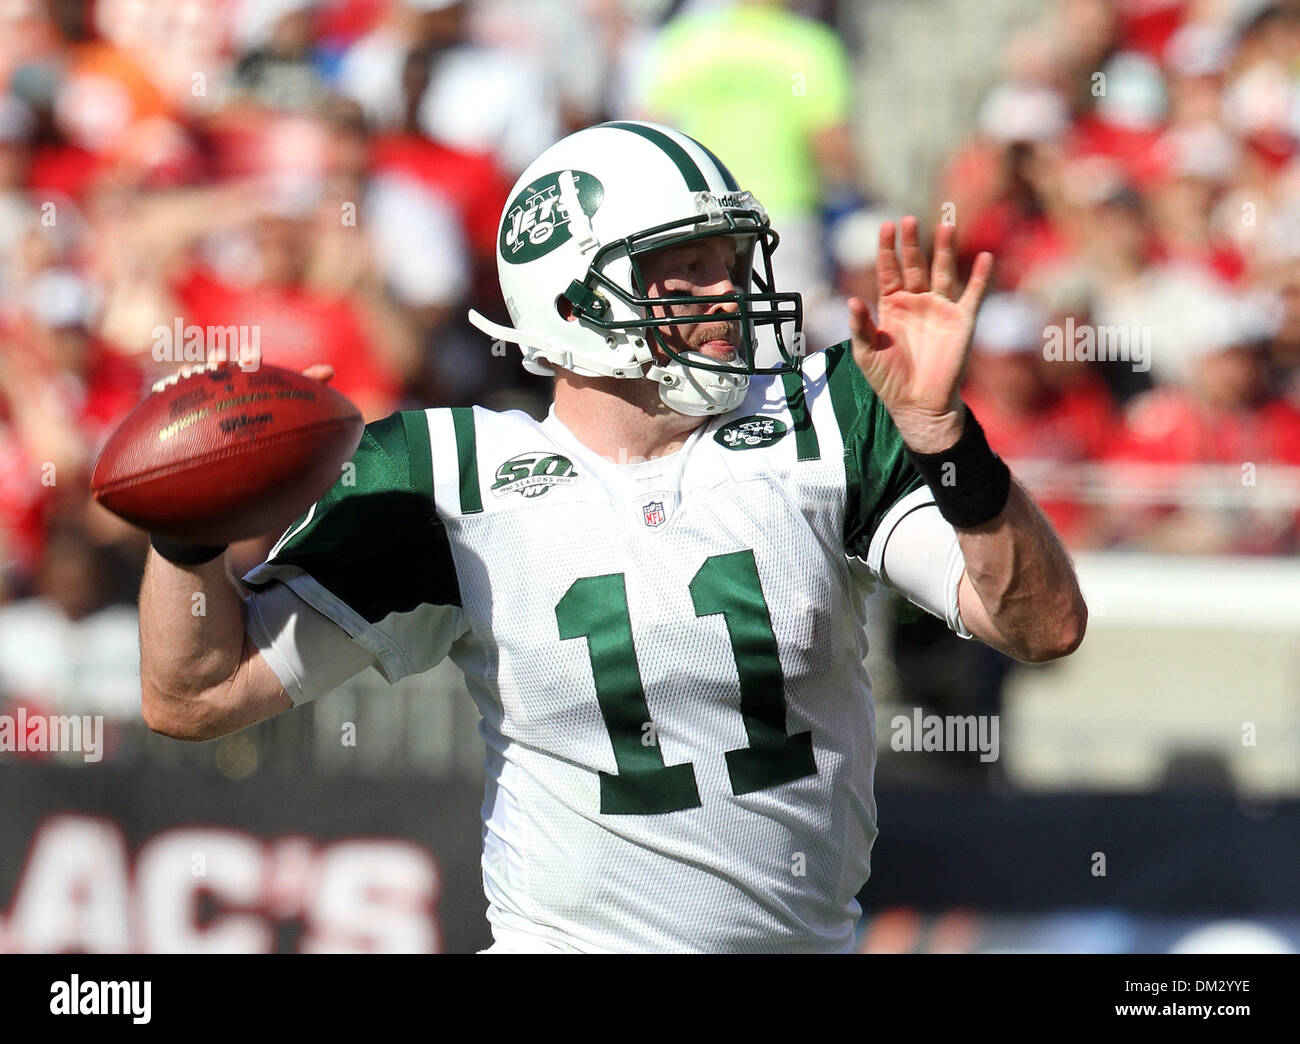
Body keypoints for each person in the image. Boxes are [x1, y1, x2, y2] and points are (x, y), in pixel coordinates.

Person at [137, 121, 1086, 953]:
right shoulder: (453, 473)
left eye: (732, 260)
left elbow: (1040, 625)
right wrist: (183, 538)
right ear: (576, 298)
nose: (730, 292)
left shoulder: (824, 416)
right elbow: (201, 693)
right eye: (689, 268)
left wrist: (945, 441)